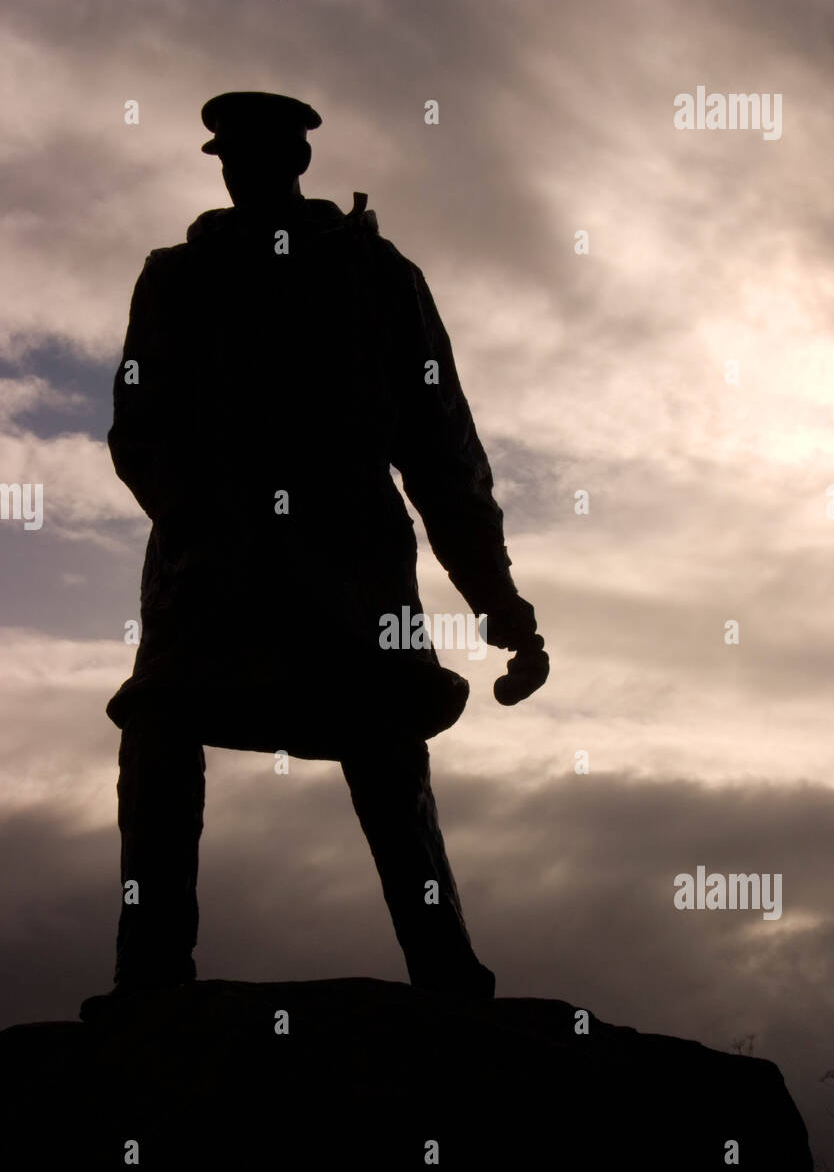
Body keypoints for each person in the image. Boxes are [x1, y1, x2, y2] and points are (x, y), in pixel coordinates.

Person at [80, 92, 548, 1021]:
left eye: (260, 153)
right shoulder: (174, 279)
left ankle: (449, 982)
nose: (242, 170)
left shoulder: (378, 276)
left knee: (386, 757)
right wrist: (200, 521)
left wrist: (496, 598)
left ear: (298, 160)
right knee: (163, 730)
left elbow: (441, 447)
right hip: (209, 571)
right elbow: (139, 425)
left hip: (352, 566)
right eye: (230, 155)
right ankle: (150, 978)